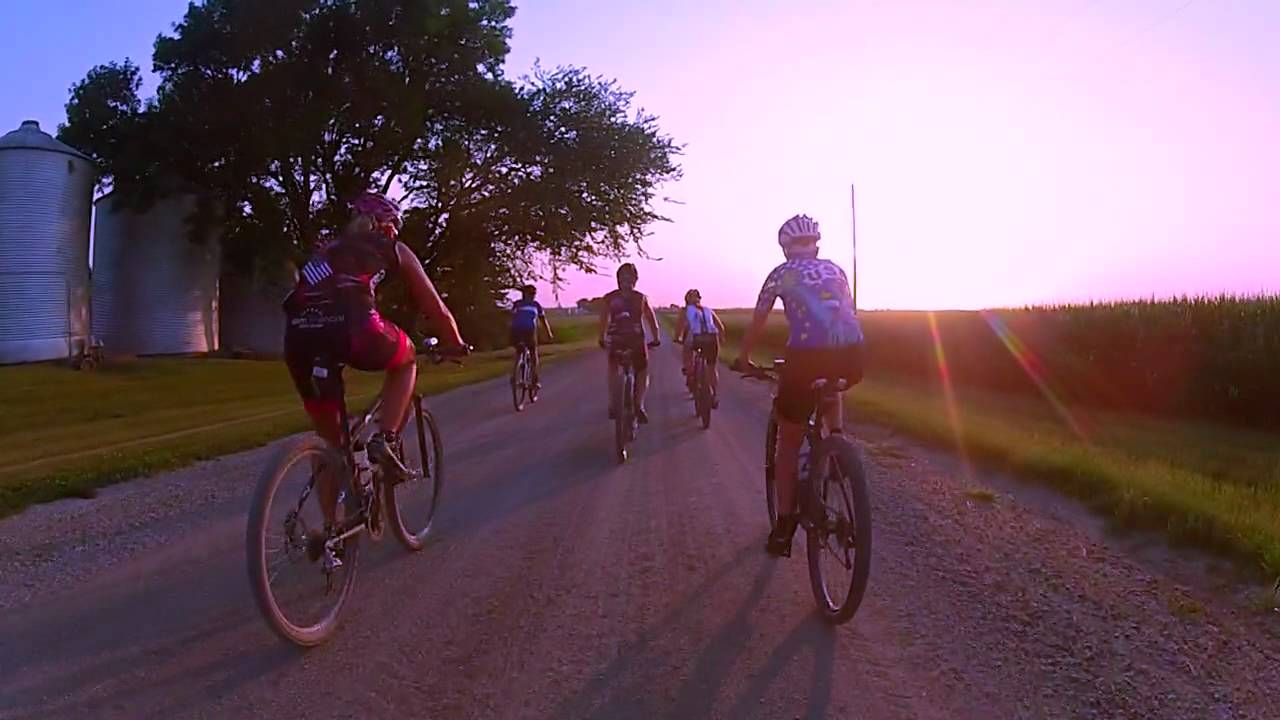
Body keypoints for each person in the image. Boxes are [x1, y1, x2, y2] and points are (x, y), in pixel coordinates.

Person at [283, 191, 468, 528]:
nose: (396, 231)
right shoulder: (390, 247)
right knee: (406, 357)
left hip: (299, 338)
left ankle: (332, 532)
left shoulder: (325, 250)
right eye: (395, 224)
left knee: (330, 444)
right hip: (354, 329)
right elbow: (436, 308)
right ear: (385, 225)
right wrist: (454, 342)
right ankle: (386, 439)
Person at [733, 214, 864, 557]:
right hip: (852, 354)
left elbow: (758, 320)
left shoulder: (780, 274)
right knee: (832, 384)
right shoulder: (836, 269)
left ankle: (785, 526)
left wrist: (743, 357)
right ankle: (836, 442)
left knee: (788, 443)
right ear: (816, 243)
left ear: (785, 247)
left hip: (805, 359)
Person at [597, 262, 662, 423]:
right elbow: (652, 320)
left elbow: (603, 320)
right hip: (636, 338)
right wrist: (656, 338)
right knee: (642, 369)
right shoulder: (641, 298)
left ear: (618, 279)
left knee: (613, 367)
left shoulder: (609, 297)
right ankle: (639, 405)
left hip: (616, 337)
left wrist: (601, 338)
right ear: (635, 280)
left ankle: (613, 403)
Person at [674, 289, 725, 408]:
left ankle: (690, 371)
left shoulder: (685, 311)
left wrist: (677, 338)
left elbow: (679, 328)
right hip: (712, 339)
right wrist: (721, 339)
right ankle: (714, 395)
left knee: (687, 351)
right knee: (712, 368)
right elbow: (721, 328)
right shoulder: (708, 310)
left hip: (695, 339)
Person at [510, 284, 554, 388]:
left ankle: (514, 375)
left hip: (516, 330)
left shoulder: (517, 304)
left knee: (519, 351)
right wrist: (549, 333)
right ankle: (535, 380)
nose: (534, 295)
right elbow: (543, 320)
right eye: (533, 293)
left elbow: (512, 317)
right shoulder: (536, 305)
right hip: (529, 330)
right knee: (534, 354)